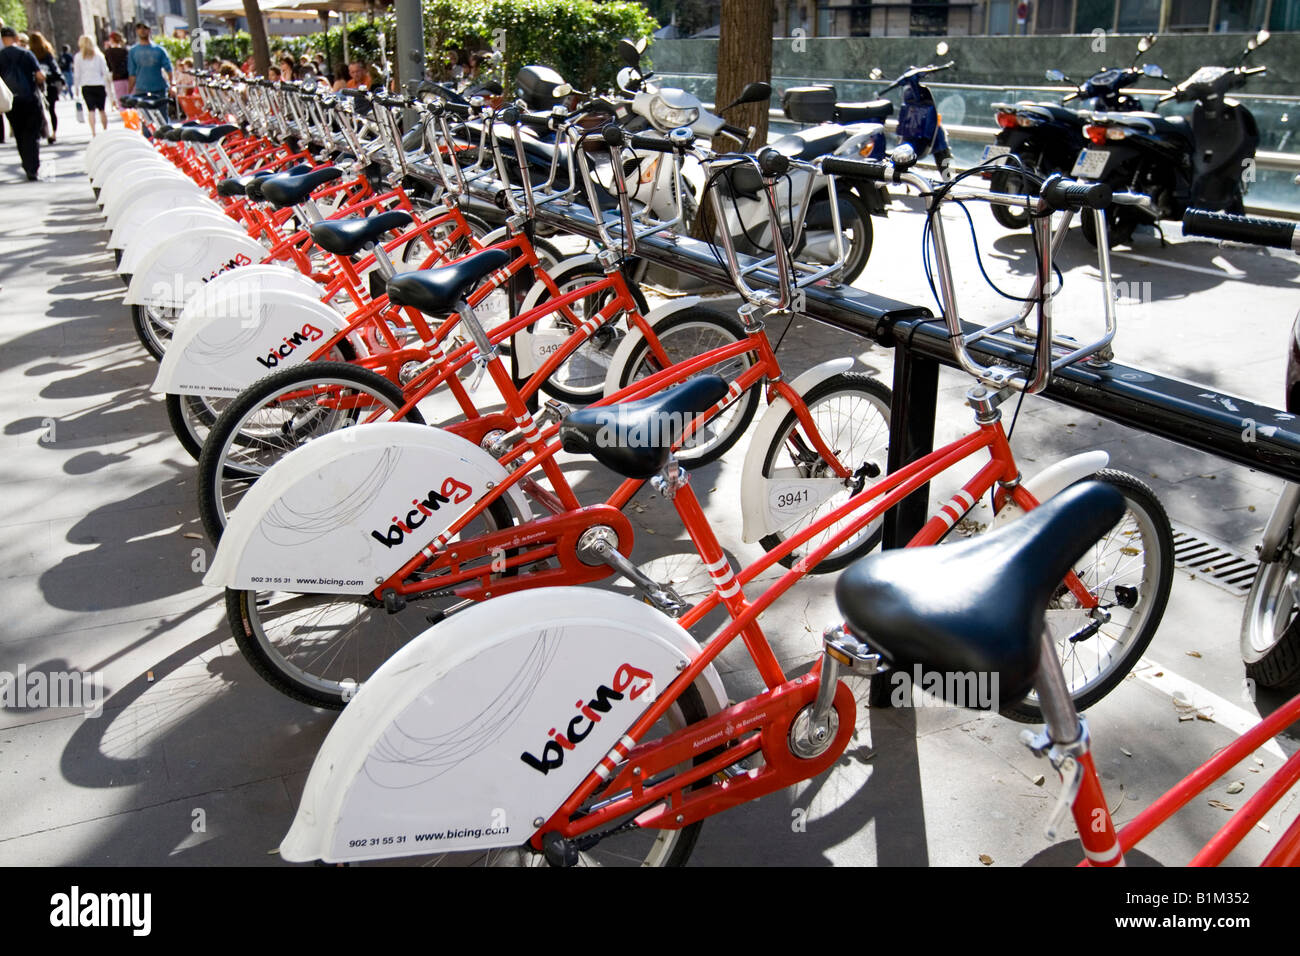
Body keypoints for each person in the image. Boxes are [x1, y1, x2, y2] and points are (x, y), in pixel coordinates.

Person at [0, 25, 45, 179]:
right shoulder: (26, 54)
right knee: (32, 133)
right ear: (16, 38)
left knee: (19, 133)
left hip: (12, 101)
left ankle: (26, 164)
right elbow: (40, 75)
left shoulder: (0, 56)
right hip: (30, 98)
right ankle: (33, 167)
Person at [28, 32, 62, 144]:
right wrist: (60, 79)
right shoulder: (47, 53)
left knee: (39, 110)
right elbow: (54, 68)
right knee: (52, 109)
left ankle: (41, 132)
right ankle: (53, 132)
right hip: (50, 84)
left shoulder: (29, 54)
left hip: (36, 86)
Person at [73, 35, 110, 137]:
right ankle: (105, 129)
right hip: (99, 84)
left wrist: (76, 88)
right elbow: (105, 71)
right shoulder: (99, 55)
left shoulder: (78, 57)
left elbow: (77, 74)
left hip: (86, 85)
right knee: (102, 109)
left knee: (91, 110)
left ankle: (93, 132)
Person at [127, 22, 171, 95]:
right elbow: (132, 73)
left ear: (149, 30)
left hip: (159, 89)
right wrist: (129, 92)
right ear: (136, 31)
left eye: (145, 28)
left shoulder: (159, 50)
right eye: (139, 28)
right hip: (141, 90)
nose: (142, 30)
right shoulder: (133, 51)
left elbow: (169, 69)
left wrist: (171, 86)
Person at [104, 32, 129, 108]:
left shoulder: (108, 52)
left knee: (121, 101)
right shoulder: (125, 51)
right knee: (130, 101)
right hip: (128, 78)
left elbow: (109, 67)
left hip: (117, 78)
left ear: (111, 40)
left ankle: (126, 118)